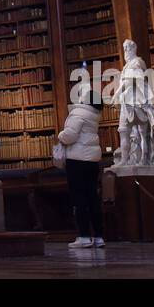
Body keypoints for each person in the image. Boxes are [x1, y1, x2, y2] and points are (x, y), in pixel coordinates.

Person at [57, 90, 104, 248]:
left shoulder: (78, 112)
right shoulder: (95, 114)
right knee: (93, 198)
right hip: (92, 161)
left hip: (77, 160)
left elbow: (70, 135)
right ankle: (98, 236)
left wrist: (60, 136)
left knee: (79, 198)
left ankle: (83, 236)